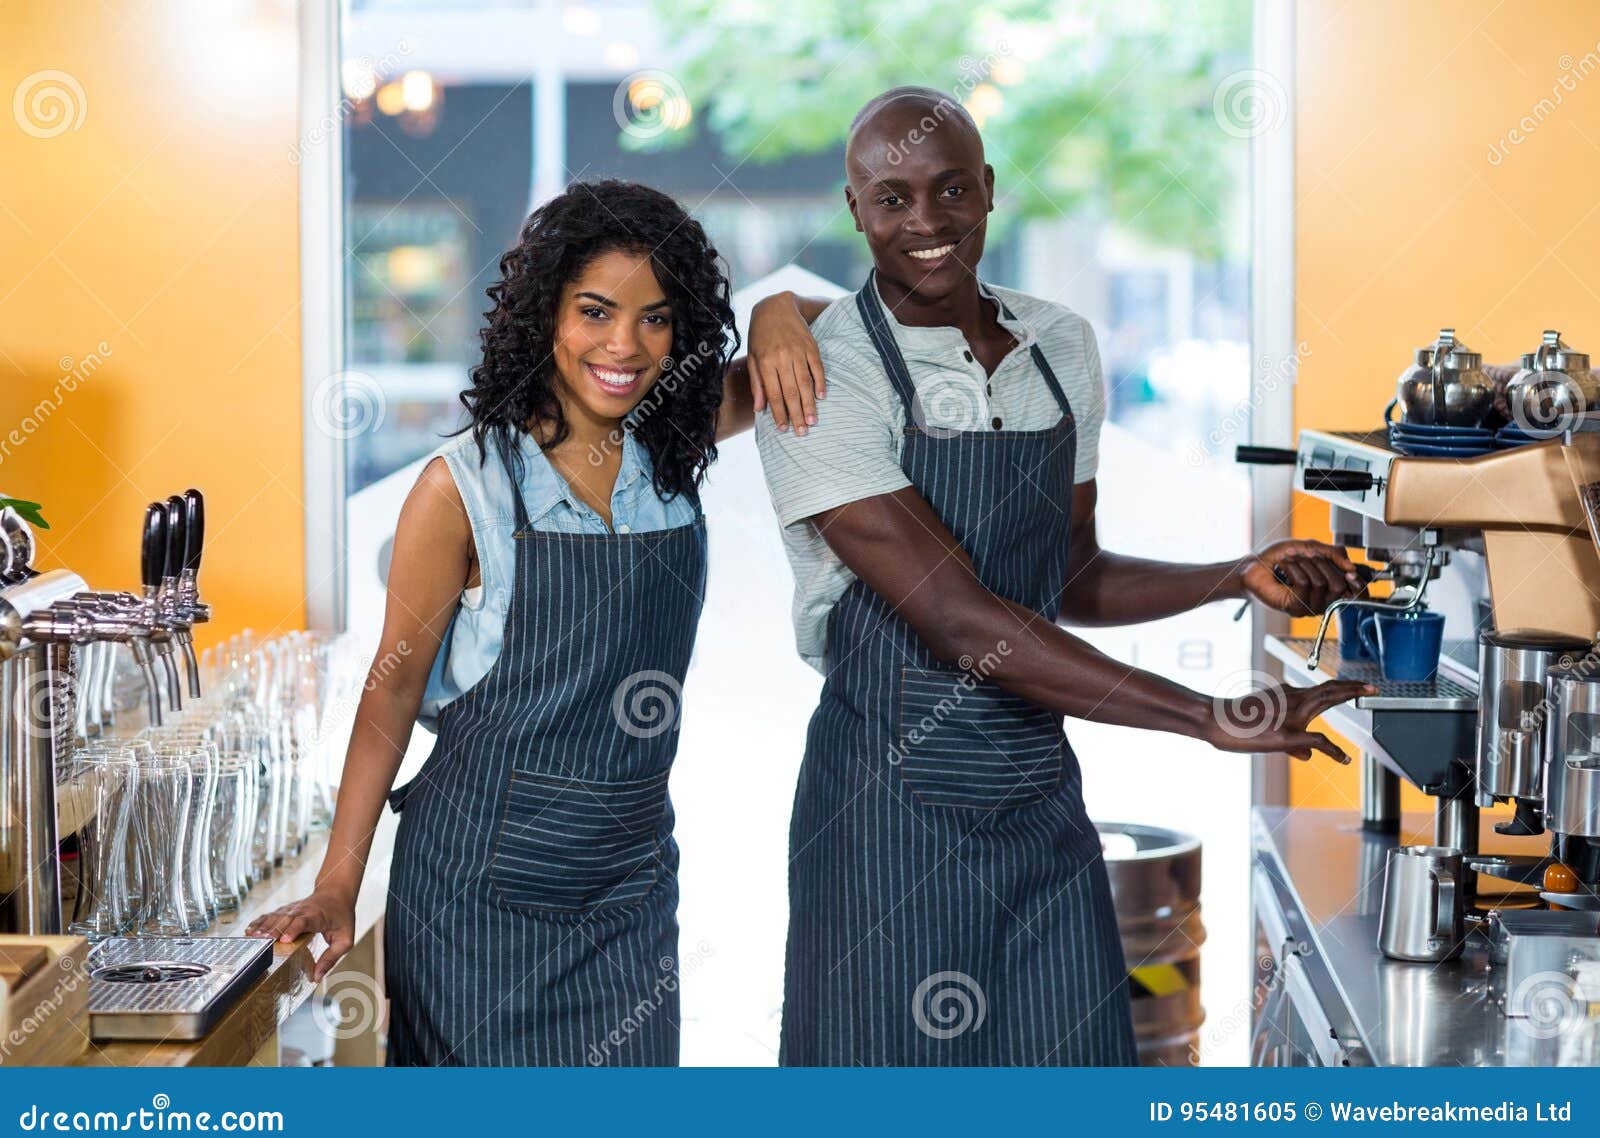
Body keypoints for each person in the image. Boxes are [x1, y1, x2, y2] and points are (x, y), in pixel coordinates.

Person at [748, 87, 1374, 1066]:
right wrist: (1205, 715)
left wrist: (1232, 575)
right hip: (885, 821)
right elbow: (959, 619)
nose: (926, 222)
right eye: (893, 198)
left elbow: (1067, 571)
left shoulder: (1059, 345)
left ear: (989, 191)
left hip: (1036, 792)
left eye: (950, 190)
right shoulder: (822, 374)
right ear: (855, 208)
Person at [247, 179, 816, 1066]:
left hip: (628, 890)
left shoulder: (674, 440)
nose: (624, 346)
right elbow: (391, 689)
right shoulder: (462, 487)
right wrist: (337, 881)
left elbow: (845, 324)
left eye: (656, 318)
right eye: (595, 311)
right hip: (476, 903)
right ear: (543, 311)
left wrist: (781, 304)